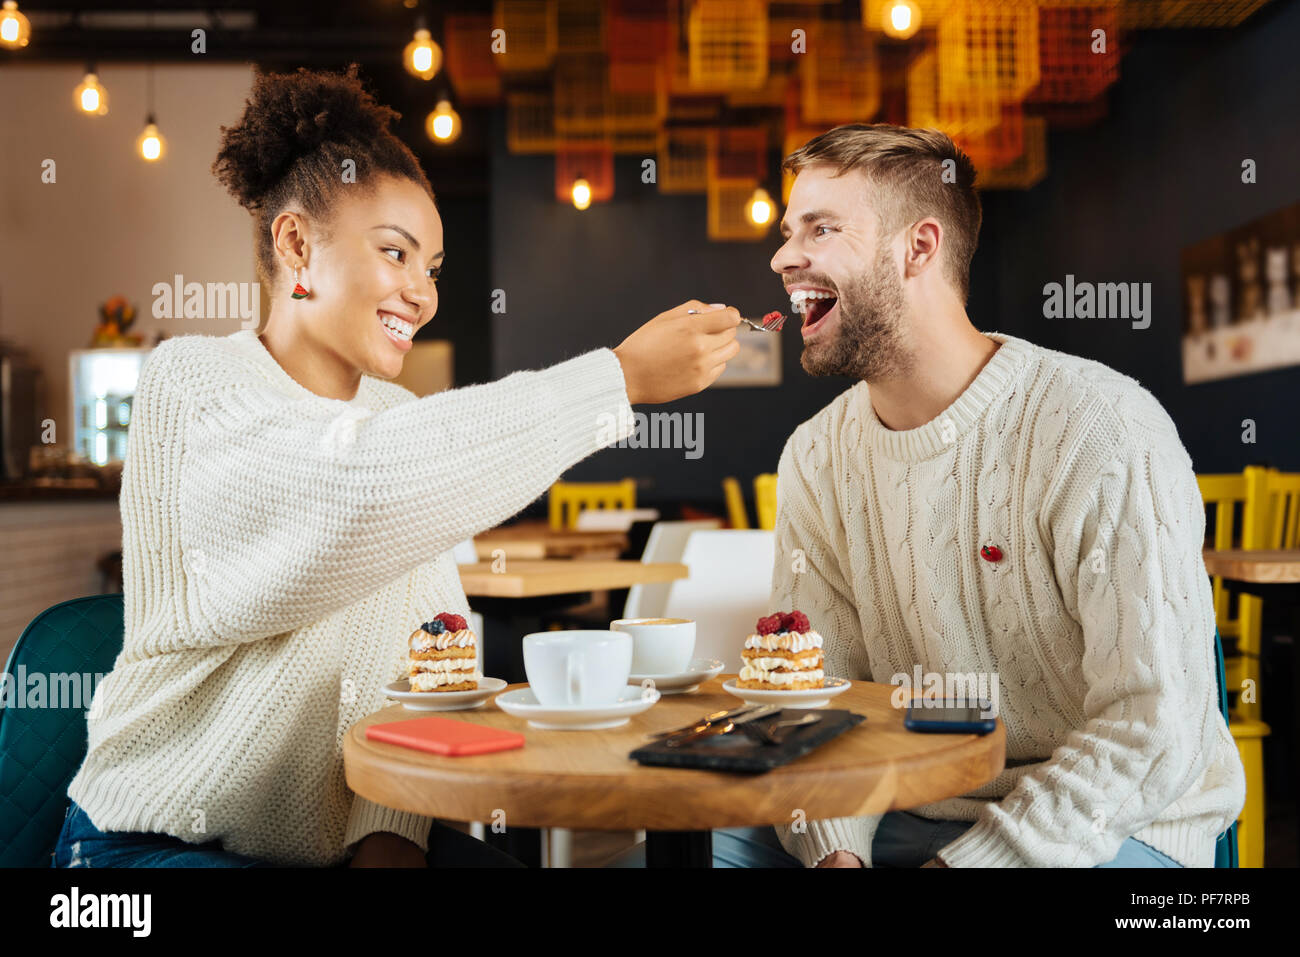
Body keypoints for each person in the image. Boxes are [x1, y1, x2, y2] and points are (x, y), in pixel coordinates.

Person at [53, 64, 741, 868]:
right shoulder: (193, 386)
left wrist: (392, 834)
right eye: (396, 254)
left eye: (435, 268)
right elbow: (356, 487)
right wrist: (617, 379)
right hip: (150, 845)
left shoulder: (398, 420)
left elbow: (428, 662)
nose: (422, 292)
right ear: (297, 244)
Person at [611, 123, 1245, 869]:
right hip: (900, 811)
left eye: (821, 228)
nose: (783, 257)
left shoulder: (1100, 426)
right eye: (789, 231)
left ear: (918, 247)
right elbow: (818, 697)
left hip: (1109, 827)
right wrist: (833, 853)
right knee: (668, 854)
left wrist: (966, 865)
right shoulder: (815, 456)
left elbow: (1151, 729)